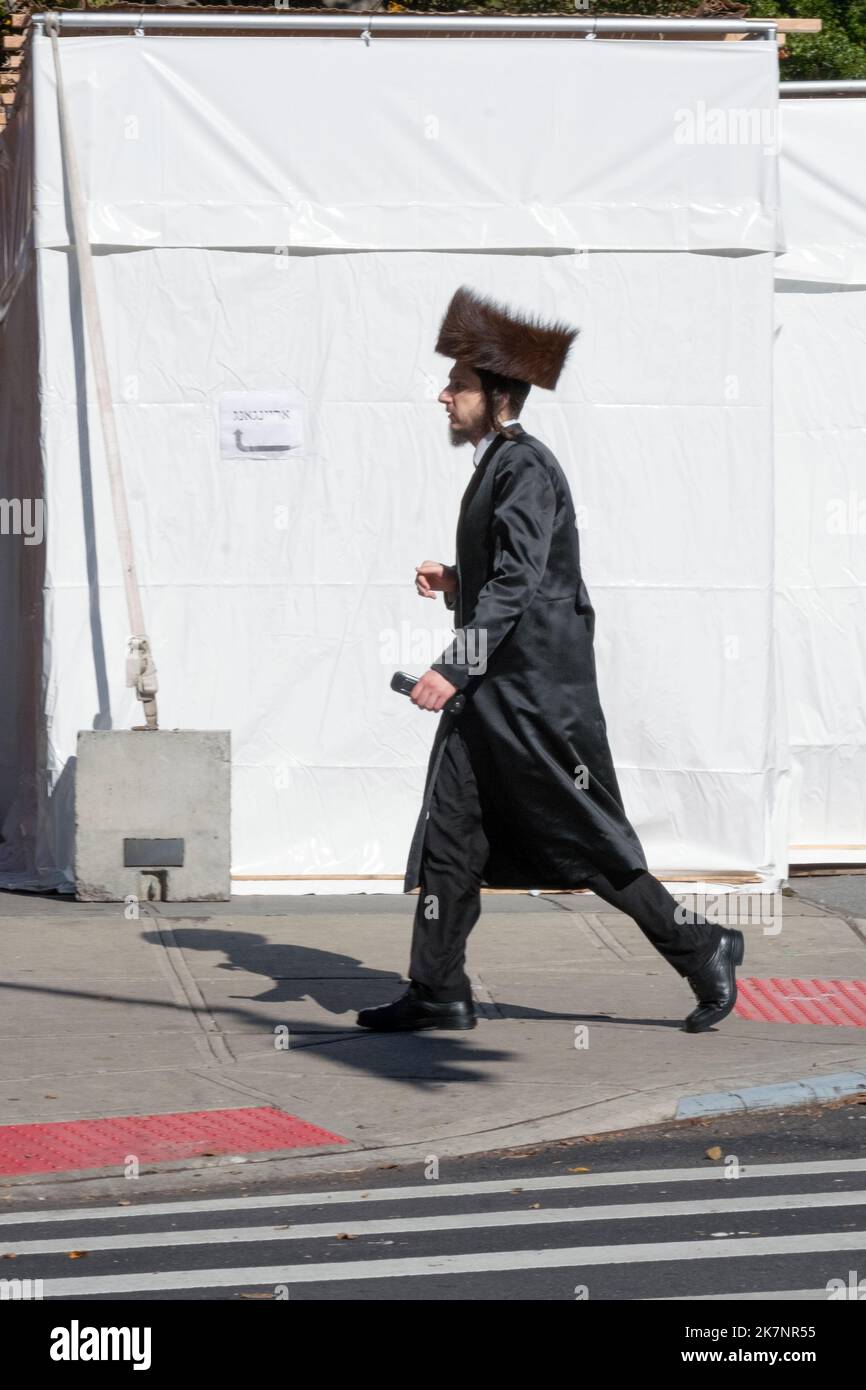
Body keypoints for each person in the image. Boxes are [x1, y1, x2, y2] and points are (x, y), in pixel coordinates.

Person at [357, 285, 743, 1036]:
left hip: (533, 699)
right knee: (451, 836)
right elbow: (513, 576)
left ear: (497, 395)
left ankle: (701, 947)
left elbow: (521, 580)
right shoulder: (497, 464)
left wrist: (453, 664)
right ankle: (437, 988)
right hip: (495, 696)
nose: (444, 396)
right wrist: (456, 584)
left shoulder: (524, 466)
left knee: (586, 838)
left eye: (459, 385)